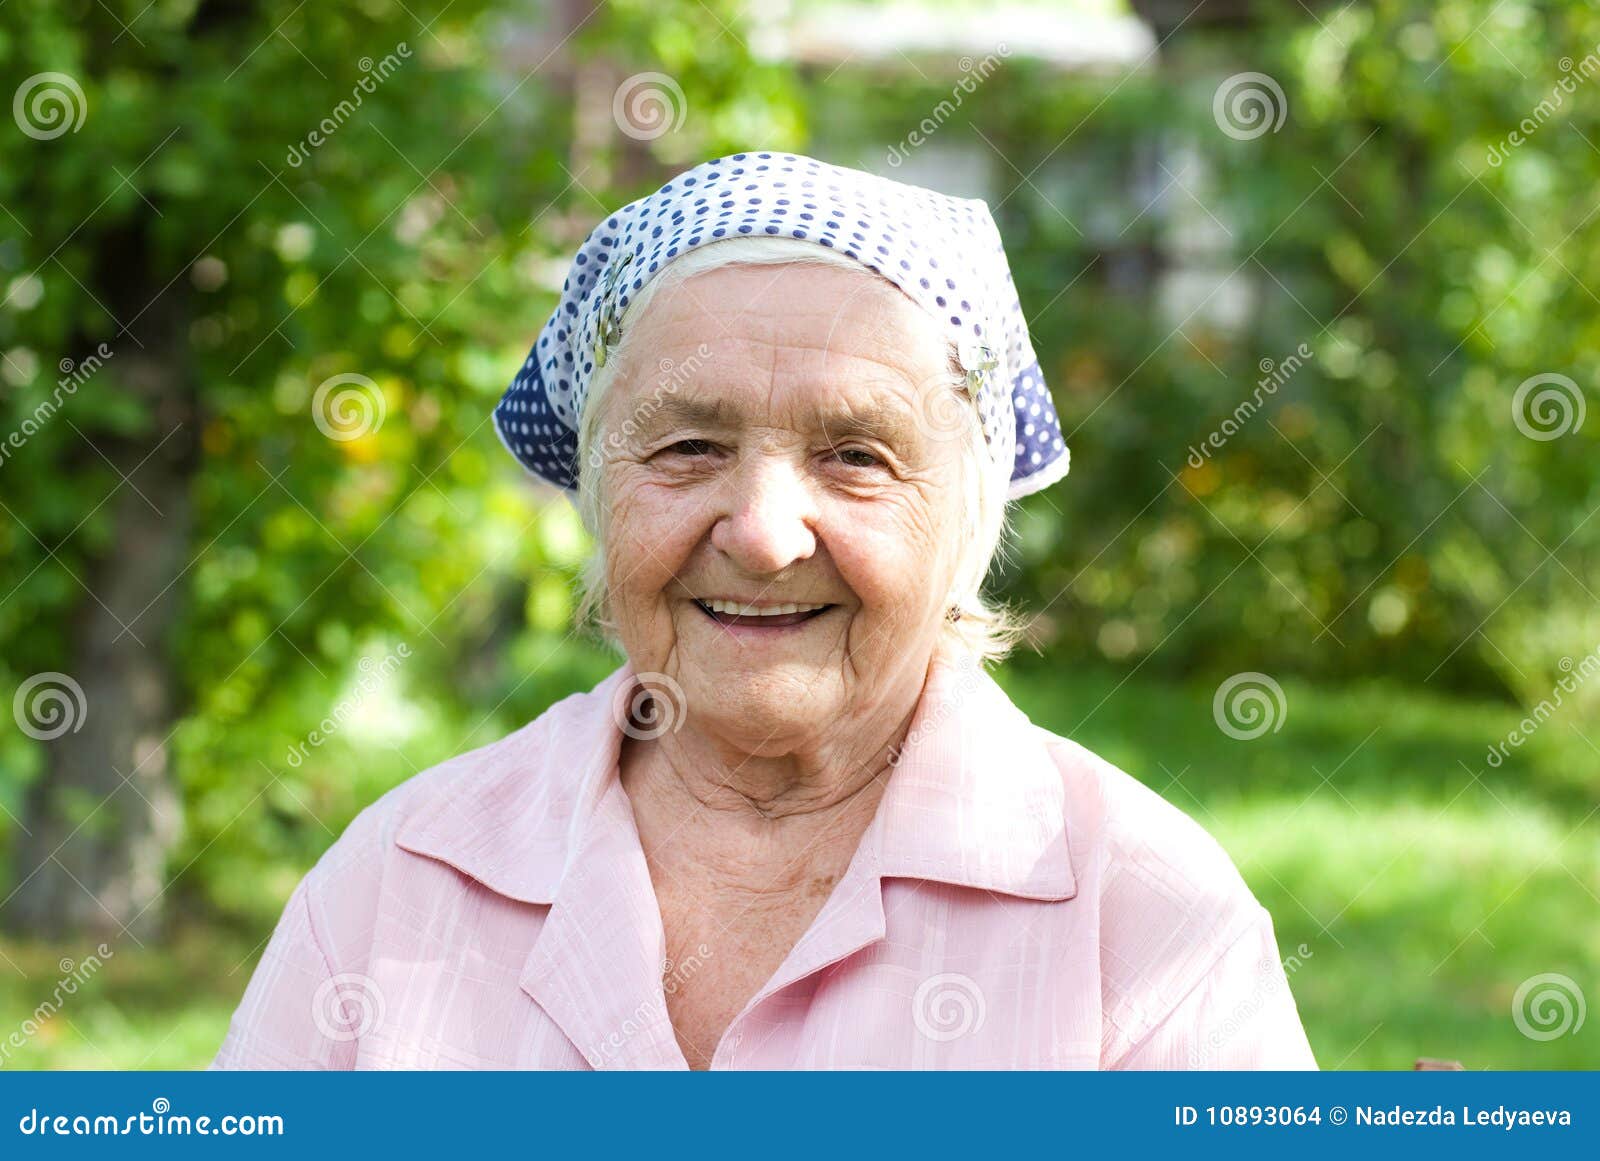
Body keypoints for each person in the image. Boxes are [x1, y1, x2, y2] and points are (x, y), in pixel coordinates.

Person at [211, 152, 1316, 1070]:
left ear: (965, 517)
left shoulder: (1142, 918)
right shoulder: (405, 878)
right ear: (600, 493)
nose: (762, 532)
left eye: (853, 456)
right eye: (689, 446)